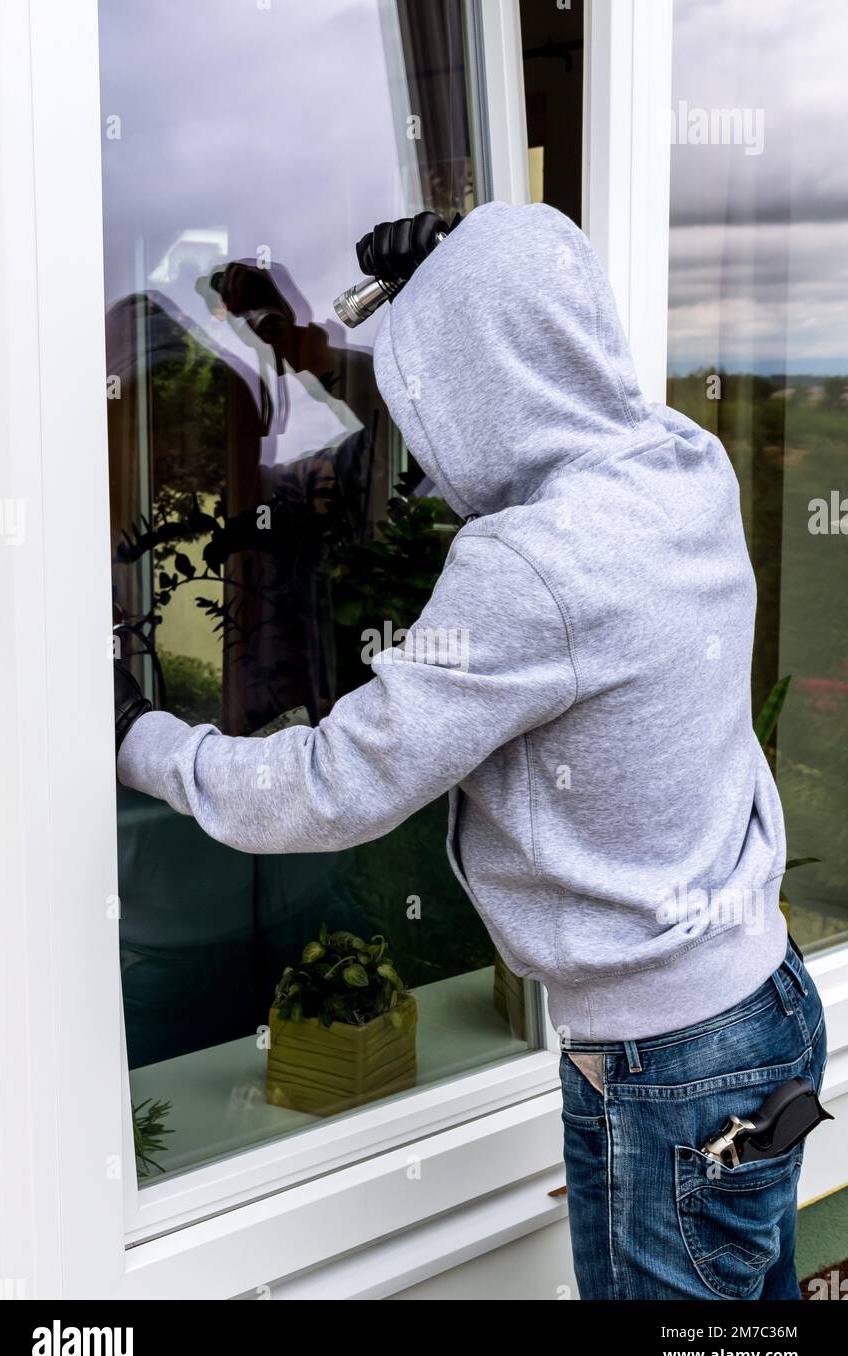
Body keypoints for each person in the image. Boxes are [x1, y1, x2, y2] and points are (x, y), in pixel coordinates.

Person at [114, 201, 826, 1300]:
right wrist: (475, 262)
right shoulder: (684, 464)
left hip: (666, 1067)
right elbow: (512, 368)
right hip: (755, 1005)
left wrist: (138, 737)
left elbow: (332, 785)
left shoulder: (526, 569)